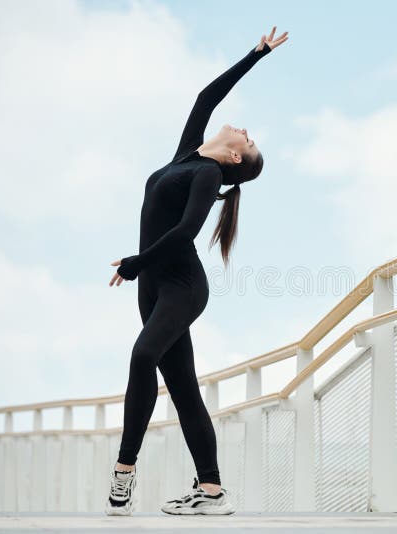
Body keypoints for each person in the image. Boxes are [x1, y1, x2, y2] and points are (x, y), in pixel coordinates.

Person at [104, 26, 289, 516]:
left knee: (143, 356)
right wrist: (257, 54)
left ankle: (123, 472)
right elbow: (206, 96)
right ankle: (212, 492)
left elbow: (186, 231)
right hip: (153, 288)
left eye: (247, 143)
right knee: (183, 386)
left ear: (233, 159)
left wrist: (138, 262)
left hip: (182, 285)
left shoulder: (207, 175)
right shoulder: (188, 155)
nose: (245, 133)